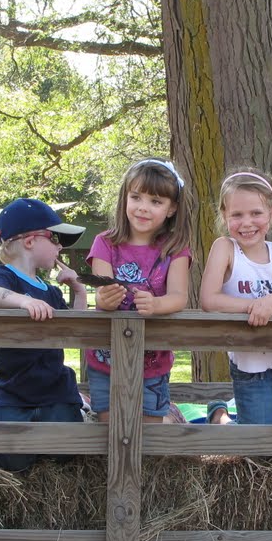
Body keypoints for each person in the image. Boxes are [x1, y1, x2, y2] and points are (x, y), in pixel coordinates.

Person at [198, 169, 272, 424]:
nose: (247, 222)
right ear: (224, 215)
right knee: (255, 441)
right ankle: (220, 417)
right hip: (251, 370)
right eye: (237, 215)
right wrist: (255, 305)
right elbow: (209, 299)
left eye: (256, 213)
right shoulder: (225, 248)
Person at [0, 196, 89, 470]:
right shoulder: (5, 276)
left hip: (56, 390)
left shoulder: (51, 291)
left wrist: (79, 291)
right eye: (55, 239)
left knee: (68, 453)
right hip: (15, 391)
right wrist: (23, 302)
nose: (60, 247)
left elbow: (75, 327)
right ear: (30, 241)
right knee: (13, 461)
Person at [85, 159, 192, 424]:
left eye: (156, 201)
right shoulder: (105, 243)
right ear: (125, 198)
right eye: (136, 197)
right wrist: (105, 299)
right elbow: (101, 292)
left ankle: (170, 418)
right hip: (105, 358)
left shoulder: (175, 248)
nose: (143, 207)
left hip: (153, 359)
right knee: (109, 424)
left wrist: (156, 305)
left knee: (149, 427)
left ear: (171, 208)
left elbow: (179, 297)